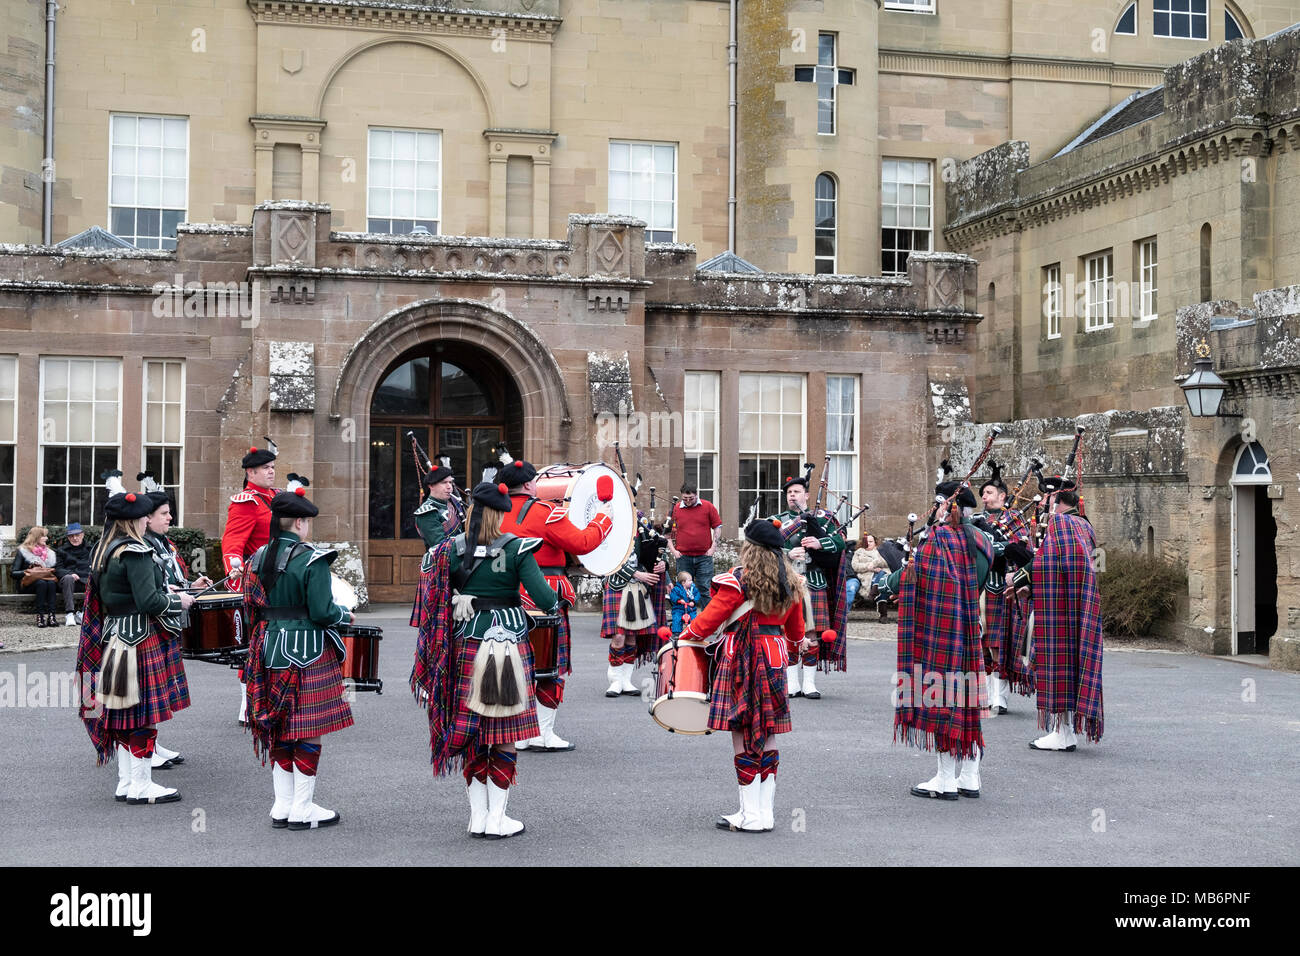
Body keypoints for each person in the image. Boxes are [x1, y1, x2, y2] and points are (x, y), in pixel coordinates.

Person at [411, 481, 559, 839]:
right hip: (508, 641)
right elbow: (545, 599)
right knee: (505, 732)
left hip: (465, 642)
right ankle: (497, 819)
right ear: (500, 513)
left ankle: (477, 818)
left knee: (475, 733)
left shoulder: (449, 549)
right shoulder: (517, 548)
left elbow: (432, 599)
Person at [677, 518, 809, 832]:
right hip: (775, 654)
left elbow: (707, 621)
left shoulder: (737, 581)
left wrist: (684, 638)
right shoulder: (790, 583)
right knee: (769, 729)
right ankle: (765, 813)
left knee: (741, 728)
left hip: (742, 655)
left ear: (750, 548)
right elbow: (795, 633)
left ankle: (749, 814)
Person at [243, 477, 355, 830]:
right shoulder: (312, 558)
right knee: (307, 729)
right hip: (307, 651)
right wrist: (343, 615)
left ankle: (283, 805)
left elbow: (249, 607)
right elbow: (322, 612)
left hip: (268, 650)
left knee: (278, 726)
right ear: (300, 523)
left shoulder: (257, 558)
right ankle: (303, 808)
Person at [75, 479, 195, 805]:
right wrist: (178, 601)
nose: (147, 520)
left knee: (124, 713)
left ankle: (127, 781)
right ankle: (141, 785)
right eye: (144, 516)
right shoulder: (137, 551)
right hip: (140, 638)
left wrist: (161, 593)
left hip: (113, 636)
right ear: (134, 520)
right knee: (142, 715)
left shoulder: (105, 550)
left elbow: (122, 595)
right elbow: (148, 603)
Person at [878, 483, 995, 800]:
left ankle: (945, 779)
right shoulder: (984, 540)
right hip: (970, 623)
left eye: (938, 505)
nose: (935, 510)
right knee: (968, 699)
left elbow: (909, 578)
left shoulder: (941, 539)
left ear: (950, 507)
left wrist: (893, 574)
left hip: (941, 627)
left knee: (942, 696)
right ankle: (970, 776)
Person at [497, 459, 612, 752]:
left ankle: (516, 732)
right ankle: (541, 733)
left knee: (514, 664)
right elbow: (583, 543)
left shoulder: (491, 513)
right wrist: (604, 518)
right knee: (550, 666)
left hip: (501, 596)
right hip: (541, 594)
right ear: (527, 485)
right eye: (535, 482)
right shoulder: (545, 513)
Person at [1012, 482, 1104, 752]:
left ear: (1057, 500)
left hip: (1060, 609)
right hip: (1074, 604)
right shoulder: (1083, 525)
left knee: (1057, 665)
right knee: (1070, 666)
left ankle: (1063, 733)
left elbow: (1047, 563)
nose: (1042, 505)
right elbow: (1067, 566)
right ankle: (1063, 731)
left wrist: (1021, 578)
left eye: (1047, 498)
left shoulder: (1062, 525)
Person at [141, 478, 212, 770]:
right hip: (153, 623)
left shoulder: (162, 542)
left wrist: (191, 584)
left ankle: (153, 745)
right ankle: (145, 751)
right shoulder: (144, 545)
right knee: (149, 692)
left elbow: (170, 579)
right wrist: (174, 595)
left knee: (158, 692)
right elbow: (150, 590)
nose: (170, 517)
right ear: (147, 518)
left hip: (166, 621)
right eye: (164, 513)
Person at [770, 475, 848, 699]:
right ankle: (792, 683)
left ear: (807, 495)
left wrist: (819, 543)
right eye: (789, 493)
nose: (792, 495)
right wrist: (788, 553)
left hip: (814, 581)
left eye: (796, 491)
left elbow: (840, 542)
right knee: (789, 631)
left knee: (812, 632)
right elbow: (765, 549)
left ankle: (810, 684)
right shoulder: (778, 521)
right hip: (789, 582)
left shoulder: (824, 518)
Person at [221, 439, 280, 726]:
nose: (270, 472)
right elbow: (232, 544)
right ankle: (247, 705)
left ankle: (273, 699)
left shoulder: (276, 497)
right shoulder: (246, 502)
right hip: (259, 582)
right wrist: (237, 579)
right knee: (253, 645)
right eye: (264, 468)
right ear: (250, 473)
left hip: (282, 581)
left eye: (272, 467)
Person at [978, 463, 1036, 714]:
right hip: (981, 585)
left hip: (1005, 585)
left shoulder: (1013, 518)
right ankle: (989, 694)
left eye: (989, 492)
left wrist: (1001, 548)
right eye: (983, 493)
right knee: (984, 641)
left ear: (1003, 496)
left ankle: (1000, 697)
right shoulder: (976, 520)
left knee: (999, 642)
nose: (984, 497)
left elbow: (1025, 550)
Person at [601, 510, 669, 697]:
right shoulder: (608, 527)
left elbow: (656, 551)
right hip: (616, 585)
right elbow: (605, 560)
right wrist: (636, 574)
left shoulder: (641, 527)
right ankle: (615, 680)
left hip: (638, 586)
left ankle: (626, 680)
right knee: (619, 636)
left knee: (632, 637)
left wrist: (663, 564)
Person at [667, 482, 721, 612]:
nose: (688, 501)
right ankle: (686, 621)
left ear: (696, 495)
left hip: (704, 557)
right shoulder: (676, 509)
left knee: (705, 588)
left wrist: (713, 547)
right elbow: (666, 532)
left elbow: (718, 527)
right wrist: (673, 551)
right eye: (685, 499)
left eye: (691, 498)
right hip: (683, 557)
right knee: (683, 590)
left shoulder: (708, 507)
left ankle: (708, 621)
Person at [13, 526, 58, 627]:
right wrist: (29, 572)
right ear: (36, 537)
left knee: (51, 583)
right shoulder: (23, 551)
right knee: (41, 583)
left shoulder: (49, 553)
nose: (46, 538)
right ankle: (40, 616)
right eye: (43, 536)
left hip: (46, 583)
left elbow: (54, 571)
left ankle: (52, 616)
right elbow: (13, 573)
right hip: (27, 584)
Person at [414, 463, 462, 550]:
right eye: (444, 483)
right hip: (442, 561)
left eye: (450, 482)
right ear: (431, 486)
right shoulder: (427, 512)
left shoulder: (454, 503)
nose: (449, 487)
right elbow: (440, 546)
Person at [55, 522, 92, 626]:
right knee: (68, 578)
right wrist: (71, 573)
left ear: (82, 535)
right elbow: (58, 569)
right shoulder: (61, 551)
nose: (75, 538)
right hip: (69, 583)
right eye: (71, 536)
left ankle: (85, 613)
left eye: (77, 535)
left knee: (99, 579)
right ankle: (70, 614)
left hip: (86, 580)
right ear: (68, 537)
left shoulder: (90, 549)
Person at [849, 532, 890, 619]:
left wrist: (874, 564)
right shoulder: (858, 553)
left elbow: (887, 562)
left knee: (882, 576)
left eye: (871, 541)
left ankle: (874, 592)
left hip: (882, 574)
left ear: (875, 542)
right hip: (867, 577)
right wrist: (869, 567)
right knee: (881, 584)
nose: (868, 543)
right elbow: (855, 566)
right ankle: (883, 615)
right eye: (866, 541)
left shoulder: (881, 551)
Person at [668, 570, 700, 637]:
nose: (692, 582)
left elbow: (697, 595)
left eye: (691, 580)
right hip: (679, 609)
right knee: (677, 619)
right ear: (683, 582)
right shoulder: (677, 589)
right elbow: (672, 596)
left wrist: (693, 602)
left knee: (694, 619)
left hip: (690, 609)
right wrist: (678, 600)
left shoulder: (693, 589)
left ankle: (694, 632)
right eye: (690, 580)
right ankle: (676, 633)